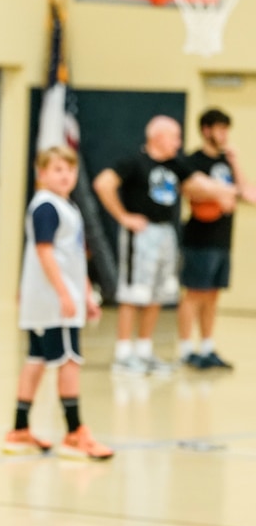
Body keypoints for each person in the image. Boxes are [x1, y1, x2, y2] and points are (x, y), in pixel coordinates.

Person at [93, 115, 237, 374]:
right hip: (141, 233)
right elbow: (103, 183)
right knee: (133, 292)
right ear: (157, 137)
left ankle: (144, 351)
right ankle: (124, 353)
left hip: (165, 233)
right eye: (175, 137)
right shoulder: (134, 161)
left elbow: (200, 184)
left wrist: (230, 191)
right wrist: (123, 216)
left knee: (157, 292)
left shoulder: (175, 164)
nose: (178, 142)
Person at [3, 146, 113, 460]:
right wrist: (67, 295)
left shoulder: (66, 206)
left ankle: (20, 429)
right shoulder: (46, 207)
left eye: (69, 170)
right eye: (57, 170)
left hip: (52, 301)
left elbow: (74, 259)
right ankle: (75, 432)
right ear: (41, 174)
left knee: (37, 360)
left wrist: (87, 294)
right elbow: (45, 252)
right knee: (69, 361)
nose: (65, 176)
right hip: (54, 303)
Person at [177, 108, 256, 370]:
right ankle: (186, 348)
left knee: (213, 295)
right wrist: (219, 196)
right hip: (200, 238)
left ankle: (207, 346)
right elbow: (191, 191)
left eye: (227, 129)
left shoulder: (225, 161)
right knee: (194, 294)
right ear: (206, 130)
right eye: (220, 129)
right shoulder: (192, 160)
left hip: (223, 238)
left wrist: (234, 162)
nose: (224, 135)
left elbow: (247, 193)